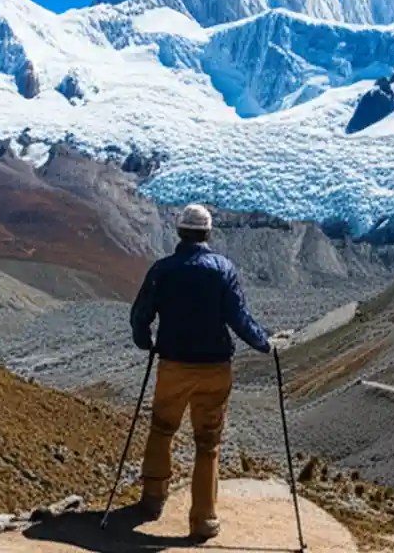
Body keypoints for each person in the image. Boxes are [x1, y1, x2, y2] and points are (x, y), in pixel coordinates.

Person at [129, 203, 271, 540]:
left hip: (174, 365)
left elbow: (140, 314)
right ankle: (204, 519)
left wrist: (145, 342)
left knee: (162, 428)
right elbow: (239, 318)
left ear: (180, 232)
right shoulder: (222, 269)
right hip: (214, 367)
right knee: (208, 443)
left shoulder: (162, 270)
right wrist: (265, 344)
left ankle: (152, 499)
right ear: (207, 233)